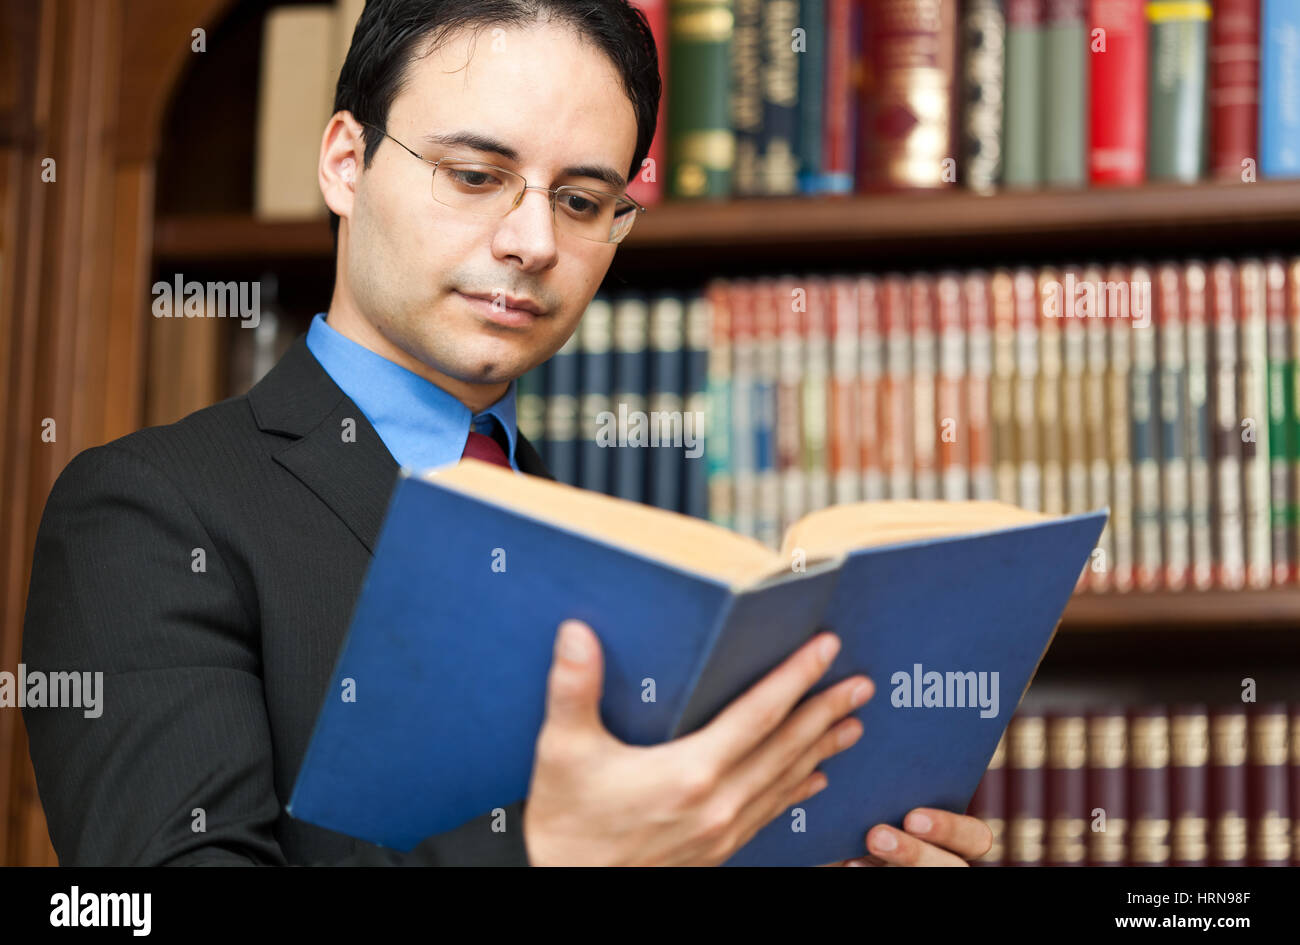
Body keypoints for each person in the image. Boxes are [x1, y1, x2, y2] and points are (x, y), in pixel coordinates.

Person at [23, 0, 992, 866]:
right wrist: (548, 853)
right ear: (345, 163)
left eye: (580, 201)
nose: (532, 243)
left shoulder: (618, 544)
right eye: (477, 174)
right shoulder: (150, 511)